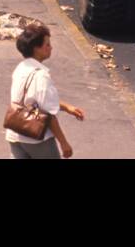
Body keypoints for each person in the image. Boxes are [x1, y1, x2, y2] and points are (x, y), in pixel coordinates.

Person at [6, 21, 85, 159]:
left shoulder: (21, 68)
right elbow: (48, 115)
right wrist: (64, 143)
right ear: (37, 49)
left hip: (15, 135)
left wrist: (66, 107)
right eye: (47, 44)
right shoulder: (41, 76)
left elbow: (32, 102)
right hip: (37, 139)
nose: (51, 48)